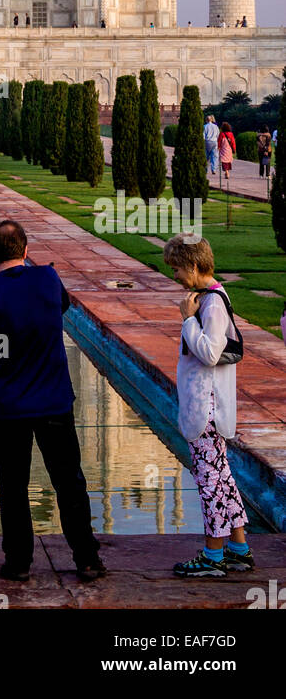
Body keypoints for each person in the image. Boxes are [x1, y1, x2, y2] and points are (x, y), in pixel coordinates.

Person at [0, 218, 105, 583]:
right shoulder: (48, 279)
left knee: (13, 486)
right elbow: (60, 306)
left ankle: (19, 562)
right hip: (54, 402)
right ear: (26, 251)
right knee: (69, 482)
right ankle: (87, 559)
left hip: (9, 408)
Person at [163, 235, 251, 577]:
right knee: (222, 478)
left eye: (178, 269)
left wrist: (187, 319)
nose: (175, 276)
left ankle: (213, 556)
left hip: (207, 411)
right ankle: (239, 548)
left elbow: (210, 353)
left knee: (209, 481)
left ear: (195, 266)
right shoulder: (211, 297)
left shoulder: (211, 304)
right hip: (207, 407)